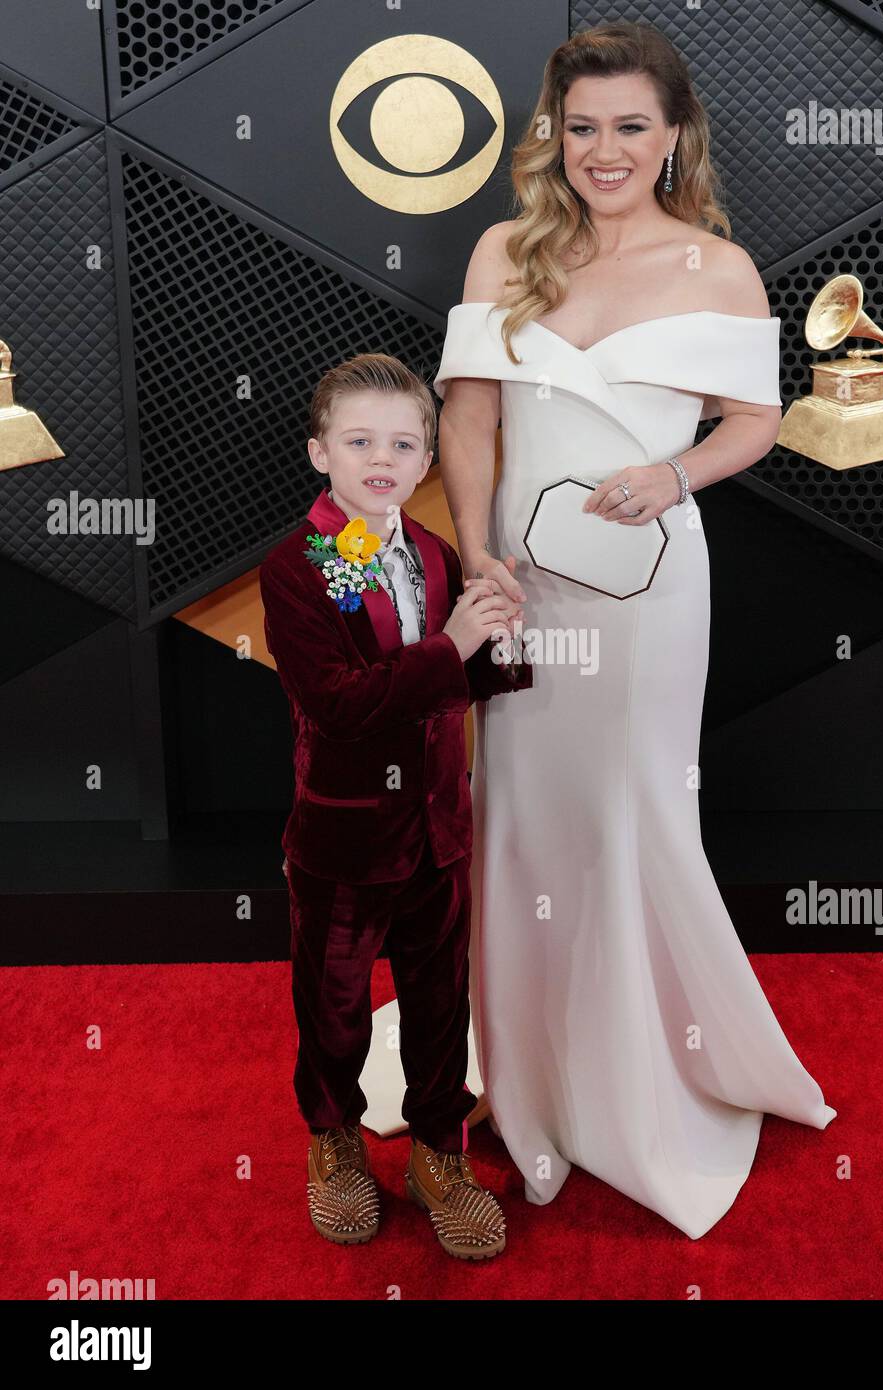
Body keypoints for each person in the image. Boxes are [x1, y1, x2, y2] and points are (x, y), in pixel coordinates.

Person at [430, 19, 837, 1240]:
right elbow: (468, 422)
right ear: (553, 133)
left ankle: (634, 1080)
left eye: (631, 128)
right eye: (583, 126)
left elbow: (753, 421)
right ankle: (528, 1078)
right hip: (522, 582)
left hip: (650, 589)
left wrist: (677, 476)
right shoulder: (504, 250)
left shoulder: (718, 267)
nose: (605, 152)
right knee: (520, 810)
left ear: (673, 135)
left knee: (629, 808)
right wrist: (473, 554)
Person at [259, 351, 531, 1258]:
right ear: (319, 453)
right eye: (359, 439)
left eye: (403, 443)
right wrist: (449, 644)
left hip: (438, 831)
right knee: (334, 1006)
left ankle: (436, 1153)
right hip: (342, 837)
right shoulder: (297, 565)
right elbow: (338, 706)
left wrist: (496, 629)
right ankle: (334, 1144)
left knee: (437, 1003)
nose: (382, 457)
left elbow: (464, 681)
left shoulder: (434, 554)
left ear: (423, 465)